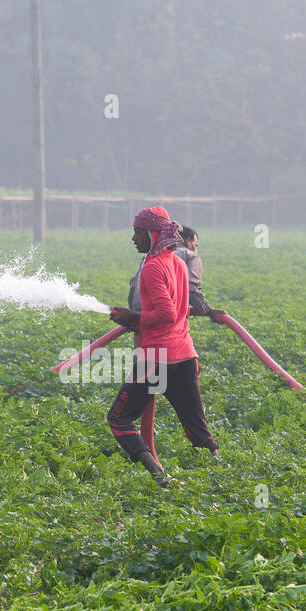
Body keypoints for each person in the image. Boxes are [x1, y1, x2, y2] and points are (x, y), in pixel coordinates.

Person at [107, 207, 219, 487]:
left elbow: (167, 314)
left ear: (152, 234)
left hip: (157, 358)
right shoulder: (177, 263)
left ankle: (159, 477)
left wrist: (135, 318)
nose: (133, 238)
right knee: (197, 428)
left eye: (138, 232)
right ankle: (222, 475)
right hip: (185, 355)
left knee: (119, 420)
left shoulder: (153, 267)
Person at [127, 225, 226, 323]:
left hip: (140, 317)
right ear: (187, 241)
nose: (196, 250)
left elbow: (134, 284)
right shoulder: (190, 256)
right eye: (195, 245)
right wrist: (208, 311)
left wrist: (133, 317)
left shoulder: (151, 255)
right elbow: (191, 288)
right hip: (162, 321)